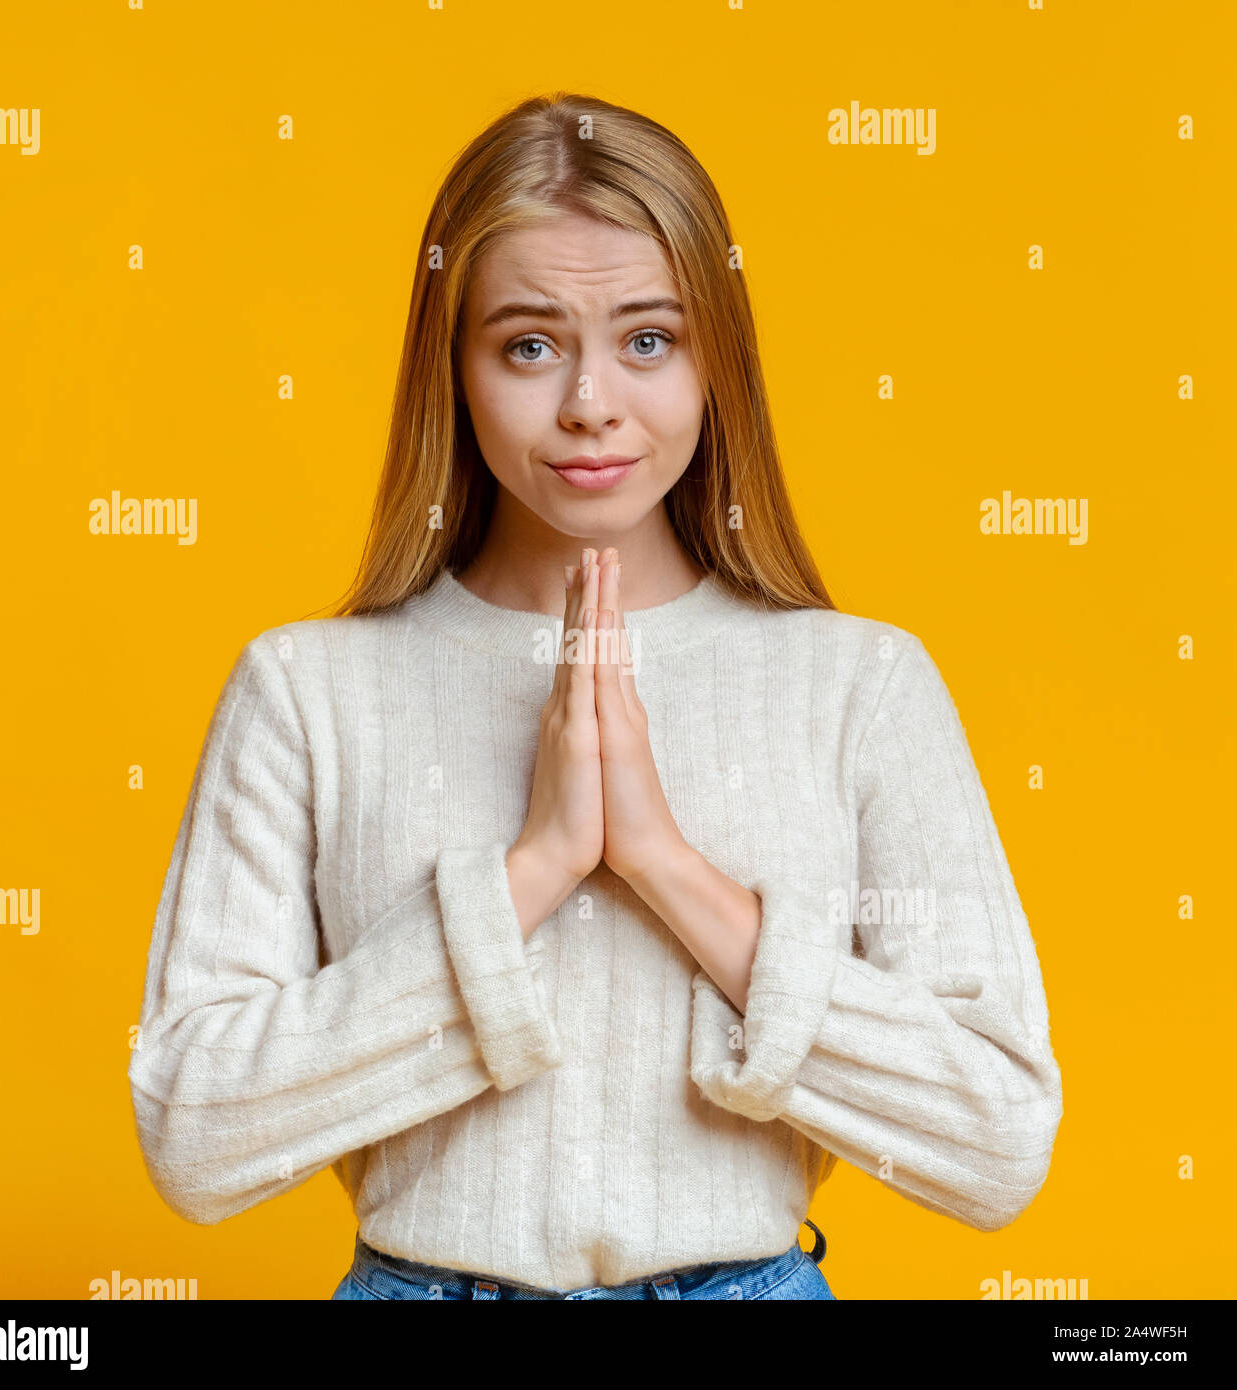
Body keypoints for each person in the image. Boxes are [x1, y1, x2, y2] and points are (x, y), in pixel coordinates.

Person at [128, 92, 1063, 1302]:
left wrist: (666, 865)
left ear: (714, 358)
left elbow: (996, 1141)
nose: (587, 402)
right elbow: (195, 1137)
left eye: (647, 339)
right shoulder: (309, 689)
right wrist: (534, 870)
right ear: (451, 368)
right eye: (527, 343)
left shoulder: (858, 682)